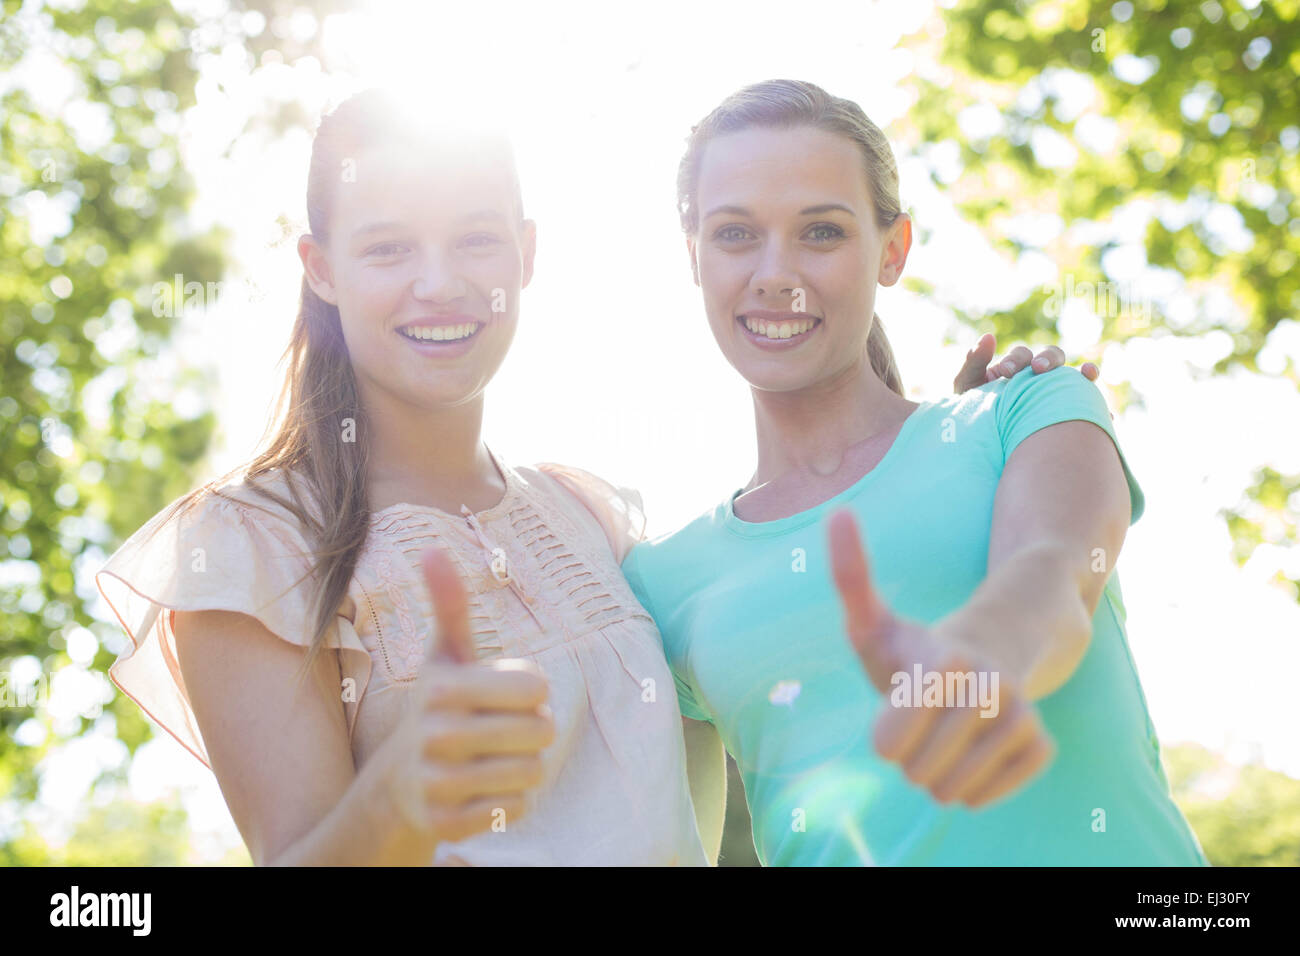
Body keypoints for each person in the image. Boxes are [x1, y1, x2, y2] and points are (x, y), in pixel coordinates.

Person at [96, 87, 1090, 867]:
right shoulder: (252, 546)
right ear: (320, 267)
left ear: (525, 256)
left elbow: (779, 626)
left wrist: (947, 441)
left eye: (475, 238)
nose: (438, 281)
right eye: (388, 246)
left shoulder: (593, 521)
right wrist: (398, 796)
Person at [621, 78, 1209, 866]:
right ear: (693, 256)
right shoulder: (662, 584)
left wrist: (981, 652)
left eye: (821, 232)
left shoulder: (1024, 411)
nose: (776, 272)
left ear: (892, 249)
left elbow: (1059, 571)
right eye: (735, 234)